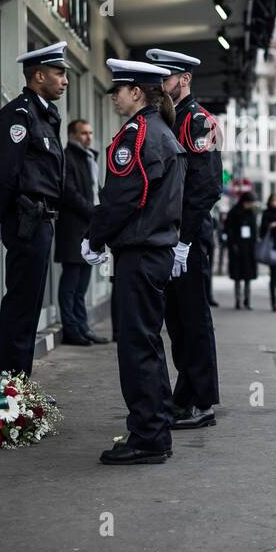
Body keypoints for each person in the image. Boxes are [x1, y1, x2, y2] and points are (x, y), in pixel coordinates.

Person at [81, 60, 186, 464]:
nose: (113, 96)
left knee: (136, 346)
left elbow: (123, 197)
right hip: (153, 252)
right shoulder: (160, 132)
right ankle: (153, 429)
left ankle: (148, 437)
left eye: (118, 89)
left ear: (136, 92)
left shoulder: (139, 133)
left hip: (140, 254)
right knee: (147, 343)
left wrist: (95, 237)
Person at [145, 48, 223, 430]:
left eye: (167, 78)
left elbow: (206, 187)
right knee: (177, 320)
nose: (162, 85)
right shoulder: (170, 118)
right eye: (159, 79)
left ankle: (202, 402)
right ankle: (186, 393)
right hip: (173, 237)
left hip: (187, 237)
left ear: (185, 79)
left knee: (193, 319)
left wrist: (185, 241)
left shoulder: (195, 121)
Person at [0, 42, 68, 375]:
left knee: (30, 305)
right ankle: (9, 387)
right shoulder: (18, 114)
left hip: (42, 219)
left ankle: (21, 385)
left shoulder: (45, 113)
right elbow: (4, 171)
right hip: (26, 219)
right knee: (20, 304)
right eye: (59, 73)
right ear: (38, 75)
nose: (64, 81)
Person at [55, 119, 106, 346]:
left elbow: (95, 190)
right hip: (74, 228)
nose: (89, 137)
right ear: (73, 135)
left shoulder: (89, 158)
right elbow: (69, 193)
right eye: (84, 133)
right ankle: (71, 329)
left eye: (91, 133)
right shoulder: (68, 157)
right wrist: (94, 212)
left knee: (82, 285)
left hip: (88, 229)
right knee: (71, 283)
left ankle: (82, 327)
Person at [226, 192, 259, 308]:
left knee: (248, 276)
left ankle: (247, 300)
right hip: (237, 248)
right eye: (248, 203)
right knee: (237, 276)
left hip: (249, 248)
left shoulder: (252, 213)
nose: (249, 205)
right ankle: (238, 301)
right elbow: (229, 229)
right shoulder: (234, 212)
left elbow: (255, 231)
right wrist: (233, 244)